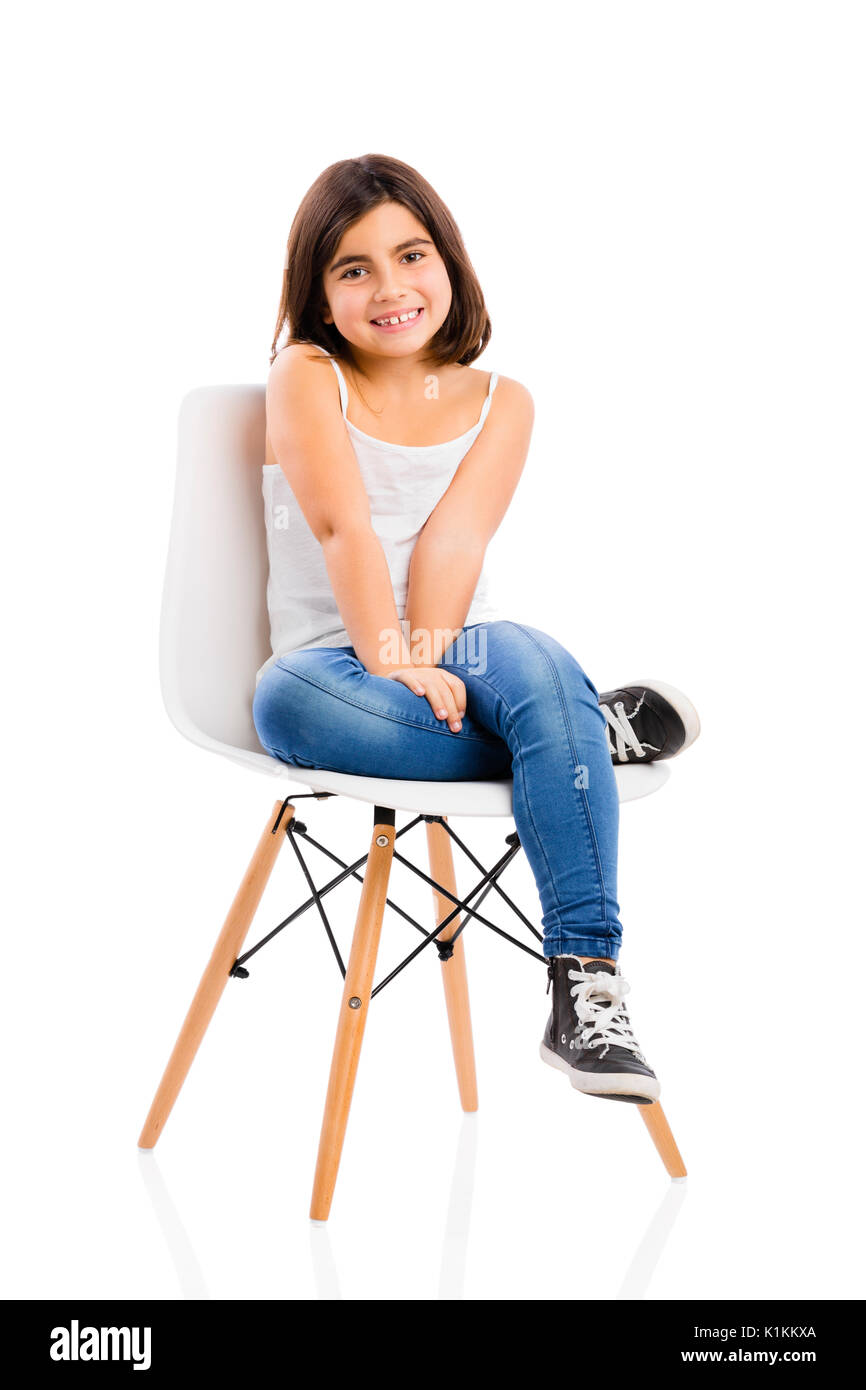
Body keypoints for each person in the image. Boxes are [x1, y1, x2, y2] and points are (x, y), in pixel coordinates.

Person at [252, 154, 700, 1105]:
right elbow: (344, 527)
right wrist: (390, 655)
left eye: (411, 255)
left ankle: (585, 986)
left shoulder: (503, 401)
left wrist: (425, 648)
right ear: (320, 295)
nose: (390, 287)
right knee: (281, 702)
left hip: (461, 646)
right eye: (353, 268)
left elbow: (455, 539)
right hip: (334, 666)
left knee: (540, 657)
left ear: (448, 262)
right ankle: (582, 736)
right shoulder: (306, 372)